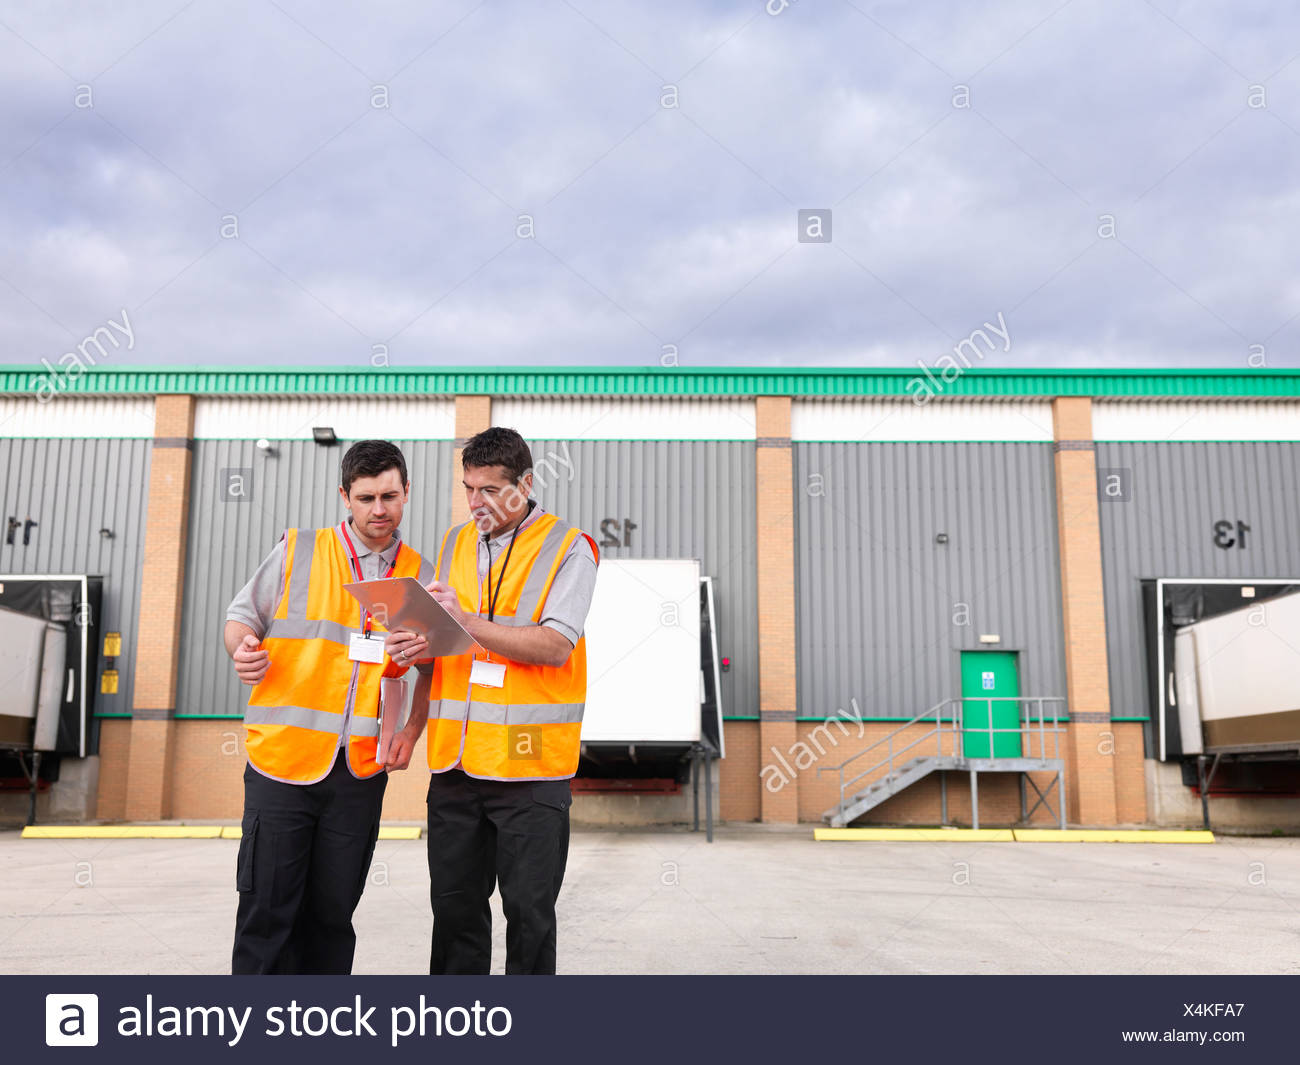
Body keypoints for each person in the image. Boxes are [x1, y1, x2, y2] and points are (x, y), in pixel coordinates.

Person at [386, 427, 598, 975]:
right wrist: (417, 648)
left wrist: (468, 621)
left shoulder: (570, 547)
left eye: (489, 490)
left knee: (528, 915)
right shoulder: (455, 542)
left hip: (528, 767)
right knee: (454, 912)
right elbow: (444, 644)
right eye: (468, 489)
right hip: (457, 766)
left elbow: (554, 646)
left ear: (525, 484)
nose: (475, 503)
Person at [223, 439, 433, 974]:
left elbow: (432, 666)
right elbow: (242, 617)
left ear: (407, 492)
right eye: (366, 498)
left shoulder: (417, 574)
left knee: (332, 917)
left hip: (359, 772)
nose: (379, 510)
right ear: (345, 495)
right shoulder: (300, 549)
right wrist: (241, 648)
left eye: (389, 496)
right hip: (283, 765)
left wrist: (412, 728)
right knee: (267, 911)